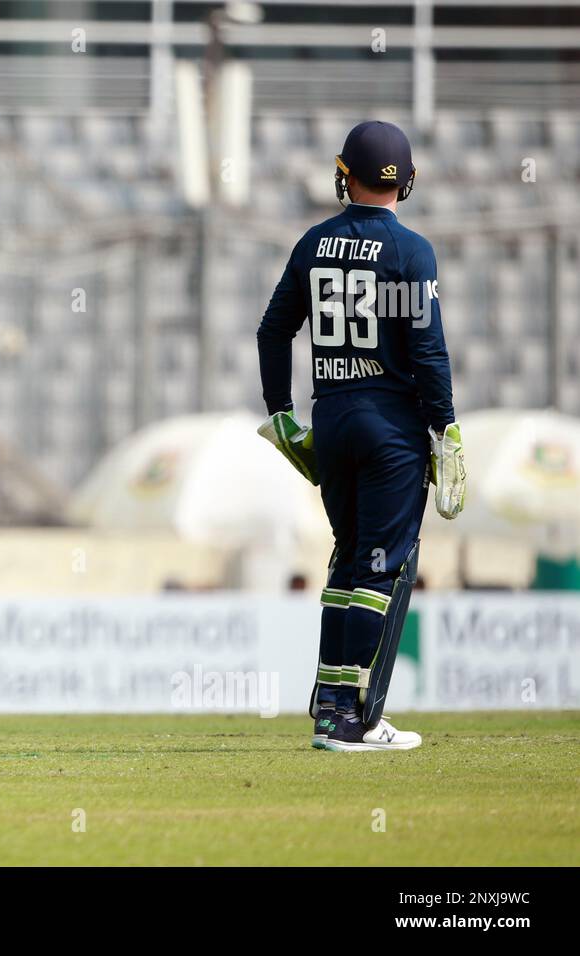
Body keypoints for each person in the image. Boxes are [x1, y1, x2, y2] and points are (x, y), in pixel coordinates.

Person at [256, 120, 466, 752]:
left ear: (344, 173)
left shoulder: (313, 243)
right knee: (381, 566)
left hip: (334, 420)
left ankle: (329, 706)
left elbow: (272, 333)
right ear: (407, 182)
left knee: (348, 562)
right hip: (390, 431)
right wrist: (446, 426)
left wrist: (282, 414)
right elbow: (427, 350)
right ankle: (353, 719)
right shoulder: (411, 252)